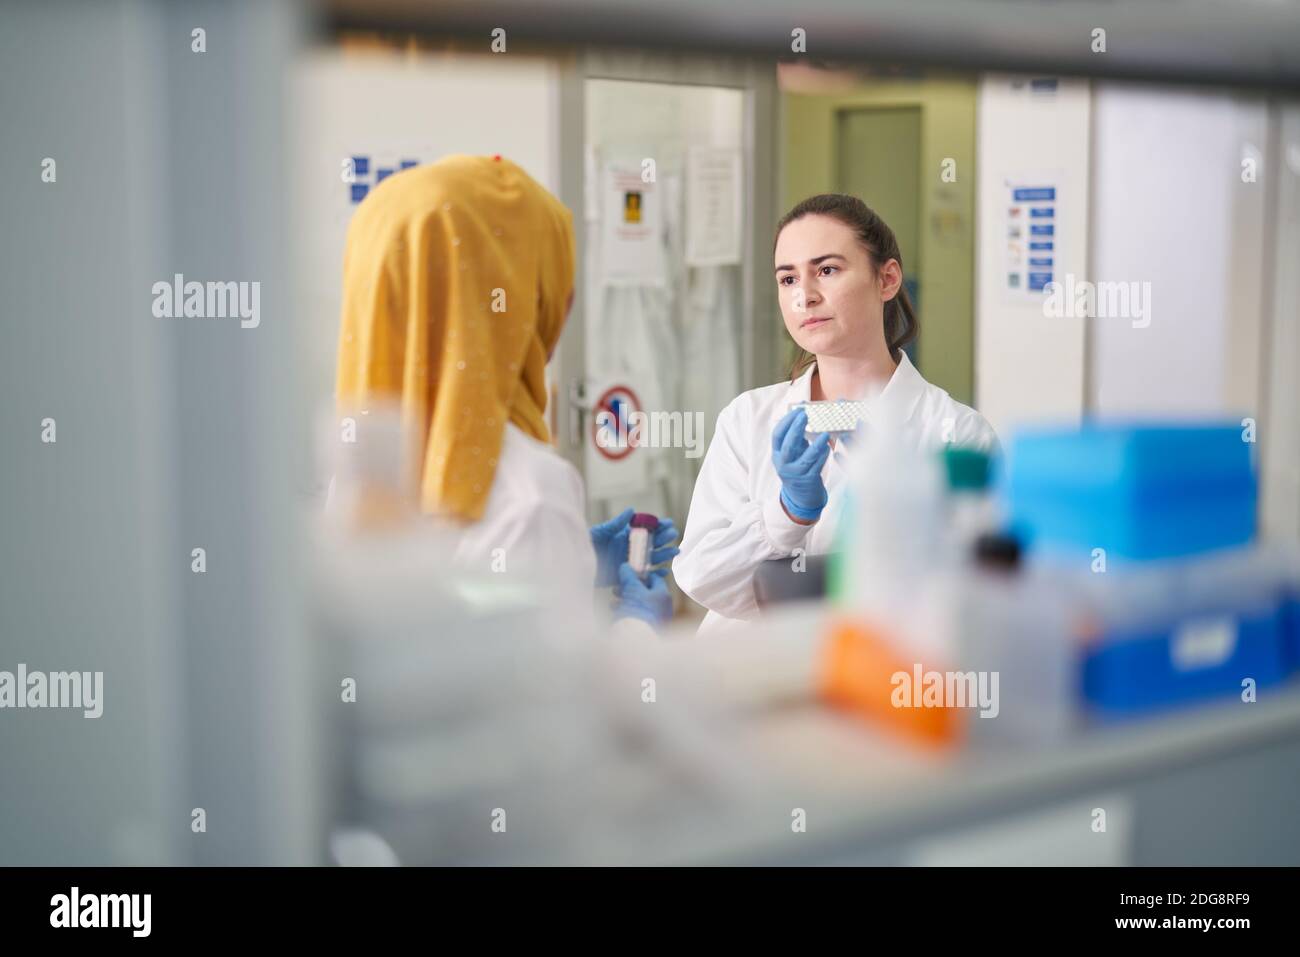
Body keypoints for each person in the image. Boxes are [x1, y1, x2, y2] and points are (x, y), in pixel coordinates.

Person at [334, 154, 678, 628]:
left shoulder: (359, 474)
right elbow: (550, 696)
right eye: (551, 279)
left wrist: (569, 560)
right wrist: (636, 629)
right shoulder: (529, 496)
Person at [672, 193, 998, 635]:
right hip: (746, 678)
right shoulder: (747, 418)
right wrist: (787, 513)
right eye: (787, 279)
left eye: (826, 270)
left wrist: (889, 491)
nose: (804, 296)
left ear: (887, 279)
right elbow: (702, 580)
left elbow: (970, 599)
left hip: (876, 684)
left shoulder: (956, 432)